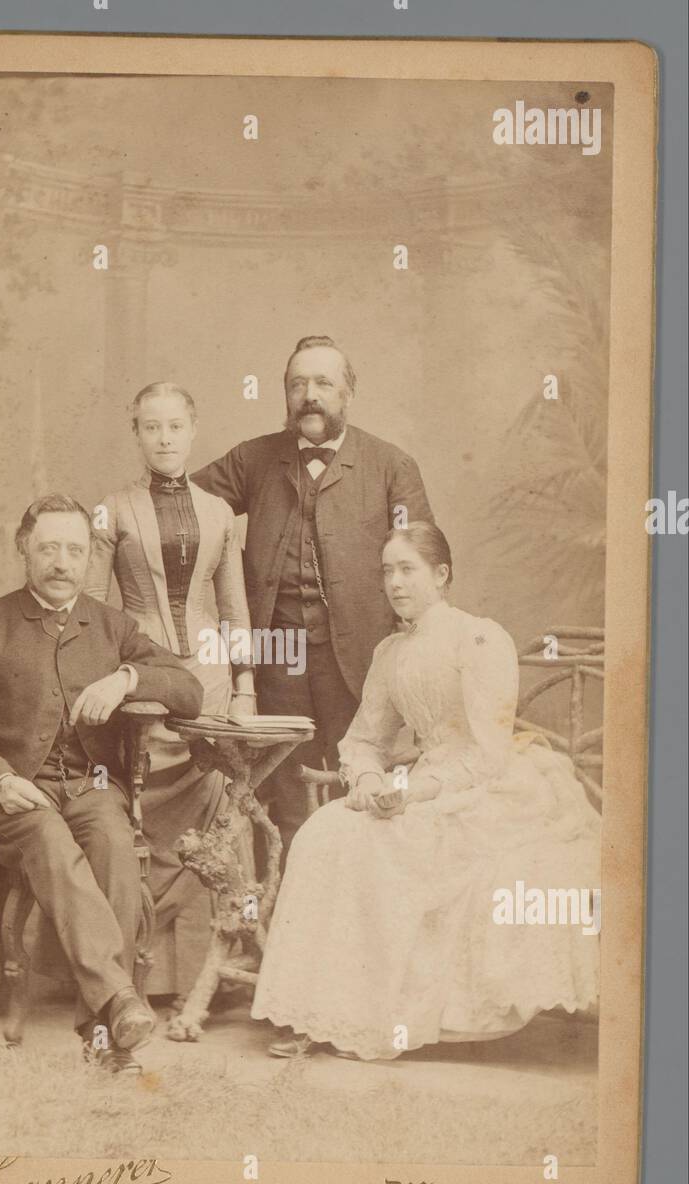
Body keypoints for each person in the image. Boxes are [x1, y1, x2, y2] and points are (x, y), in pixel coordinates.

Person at [251, 522, 600, 1061]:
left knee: (395, 843)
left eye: (408, 569)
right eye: (387, 571)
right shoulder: (390, 652)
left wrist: (413, 793)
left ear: (441, 575)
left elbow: (486, 755)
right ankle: (321, 1014)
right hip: (419, 783)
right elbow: (364, 739)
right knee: (324, 831)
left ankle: (380, 1018)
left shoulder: (480, 637)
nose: (395, 582)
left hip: (494, 787)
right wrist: (367, 779)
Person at [0, 494, 204, 1075]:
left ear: (87, 558)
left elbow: (186, 687)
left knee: (114, 853)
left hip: (91, 785)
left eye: (74, 550)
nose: (61, 562)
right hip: (17, 797)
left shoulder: (111, 626)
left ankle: (106, 1036)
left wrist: (127, 678)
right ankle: (118, 1004)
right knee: (50, 842)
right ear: (23, 548)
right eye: (48, 547)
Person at [193, 334, 434, 855]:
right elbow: (182, 509)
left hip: (362, 658)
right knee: (275, 793)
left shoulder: (391, 466)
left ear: (347, 393)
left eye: (323, 382)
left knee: (361, 786)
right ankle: (275, 917)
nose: (310, 394)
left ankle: (356, 913)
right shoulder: (254, 459)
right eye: (297, 383)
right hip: (276, 657)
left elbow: (419, 566)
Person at [87, 383, 255, 995]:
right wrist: (109, 677)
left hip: (208, 677)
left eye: (175, 427)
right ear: (136, 433)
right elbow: (95, 611)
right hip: (141, 675)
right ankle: (132, 971)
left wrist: (244, 688)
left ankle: (199, 977)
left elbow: (235, 610)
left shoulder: (219, 513)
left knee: (211, 809)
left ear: (193, 429)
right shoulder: (111, 508)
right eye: (151, 427)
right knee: (139, 812)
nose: (164, 438)